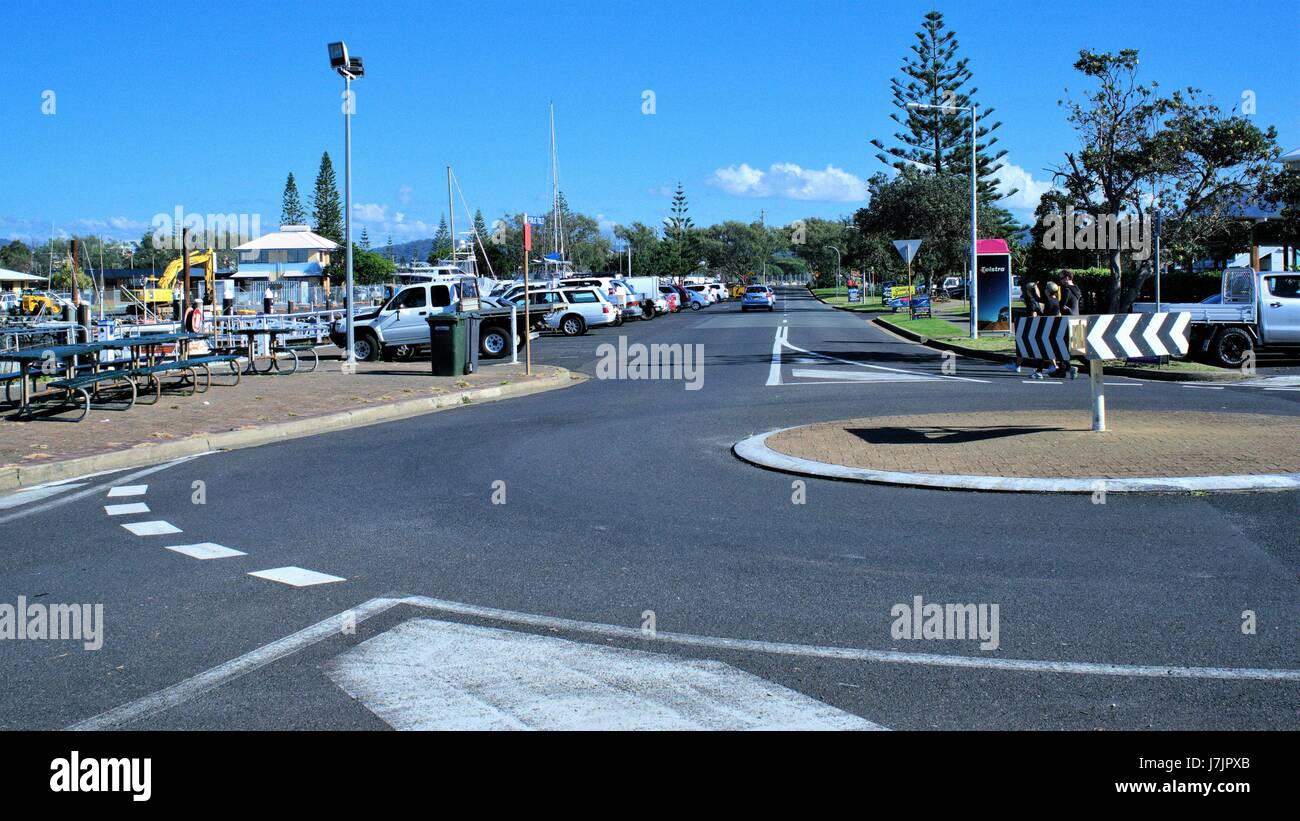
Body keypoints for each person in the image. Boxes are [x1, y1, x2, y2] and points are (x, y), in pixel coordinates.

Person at [1007, 281, 1041, 374]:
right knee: (1026, 346)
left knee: (1026, 346)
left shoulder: (1031, 299)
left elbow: (1034, 313)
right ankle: (1018, 366)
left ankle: (1038, 367)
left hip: (1031, 327)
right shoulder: (1036, 298)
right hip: (1034, 326)